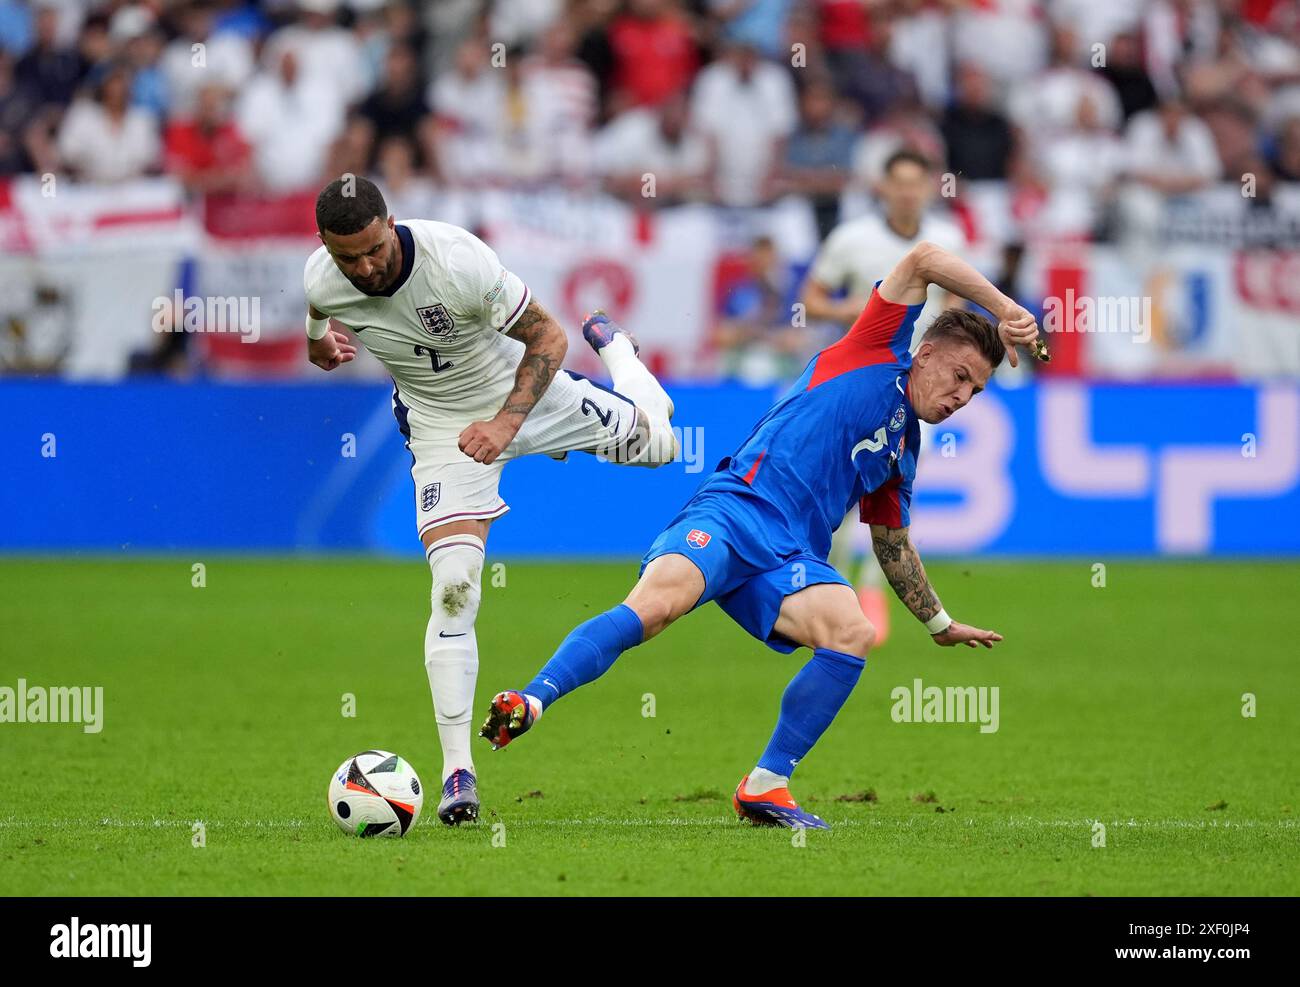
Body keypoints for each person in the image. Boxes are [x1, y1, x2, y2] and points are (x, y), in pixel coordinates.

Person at [479, 240, 1041, 829]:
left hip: (790, 559)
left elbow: (892, 544)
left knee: (851, 630)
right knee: (656, 608)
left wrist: (939, 623)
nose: (961, 397)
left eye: (974, 391)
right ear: (924, 354)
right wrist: (1005, 308)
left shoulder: (902, 450)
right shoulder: (872, 350)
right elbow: (924, 259)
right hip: (735, 512)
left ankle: (766, 785)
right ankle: (531, 699)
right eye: (959, 376)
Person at [303, 176, 677, 826]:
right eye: (347, 258)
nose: (363, 268)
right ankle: (458, 774)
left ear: (391, 225)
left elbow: (551, 340)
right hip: (443, 428)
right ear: (326, 249)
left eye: (371, 250)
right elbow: (317, 317)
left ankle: (620, 355)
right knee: (453, 586)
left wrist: (506, 424)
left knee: (660, 444)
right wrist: (318, 344)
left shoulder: (457, 260)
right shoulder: (322, 279)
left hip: (529, 395)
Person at [801, 148, 965, 642]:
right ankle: (830, 587)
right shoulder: (852, 239)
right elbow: (809, 299)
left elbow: (955, 303)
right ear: (884, 188)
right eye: (900, 183)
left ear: (928, 188)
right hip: (858, 388)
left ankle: (869, 589)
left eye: (917, 183)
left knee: (892, 492)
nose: (908, 192)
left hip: (916, 395)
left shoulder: (949, 238)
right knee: (842, 492)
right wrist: (864, 309)